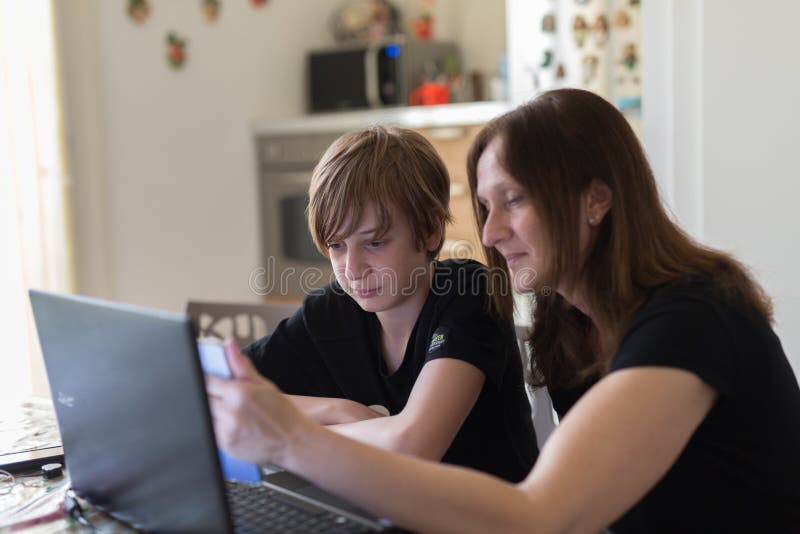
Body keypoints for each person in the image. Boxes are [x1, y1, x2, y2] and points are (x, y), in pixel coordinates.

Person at [207, 89, 800, 533]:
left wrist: (290, 439)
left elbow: (538, 514)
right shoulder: (569, 326)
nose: (490, 232)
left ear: (596, 199)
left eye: (513, 201)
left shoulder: (693, 319)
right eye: (486, 206)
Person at [239, 125, 538, 482]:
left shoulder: (470, 293)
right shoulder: (331, 311)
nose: (352, 269)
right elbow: (225, 391)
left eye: (375, 243)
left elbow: (412, 444)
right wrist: (339, 411)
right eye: (337, 245)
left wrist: (283, 430)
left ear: (431, 231)